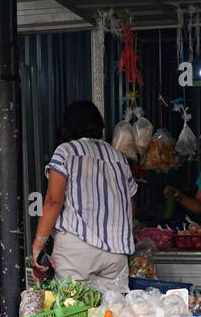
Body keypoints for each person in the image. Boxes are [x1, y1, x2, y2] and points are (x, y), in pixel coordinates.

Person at [32, 100, 137, 292]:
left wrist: (38, 244)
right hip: (116, 252)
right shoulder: (118, 157)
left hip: (76, 249)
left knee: (72, 312)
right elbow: (129, 205)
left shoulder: (65, 152)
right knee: (113, 315)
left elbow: (53, 201)